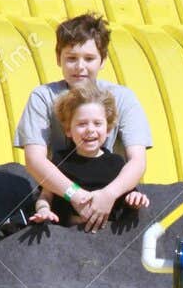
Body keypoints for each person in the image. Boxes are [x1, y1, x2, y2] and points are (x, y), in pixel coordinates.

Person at [15, 12, 152, 232]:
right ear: (58, 58)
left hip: (110, 193)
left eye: (89, 59)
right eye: (71, 58)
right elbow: (34, 159)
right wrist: (75, 195)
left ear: (103, 60)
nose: (80, 67)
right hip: (60, 192)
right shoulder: (42, 97)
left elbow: (137, 161)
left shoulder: (124, 98)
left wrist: (108, 195)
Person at [29, 83, 150, 225]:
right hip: (65, 235)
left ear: (108, 129)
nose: (90, 130)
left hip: (104, 238)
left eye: (97, 123)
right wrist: (43, 210)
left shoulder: (115, 163)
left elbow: (127, 196)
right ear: (68, 130)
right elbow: (45, 196)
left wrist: (135, 199)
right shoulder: (60, 161)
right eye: (82, 124)